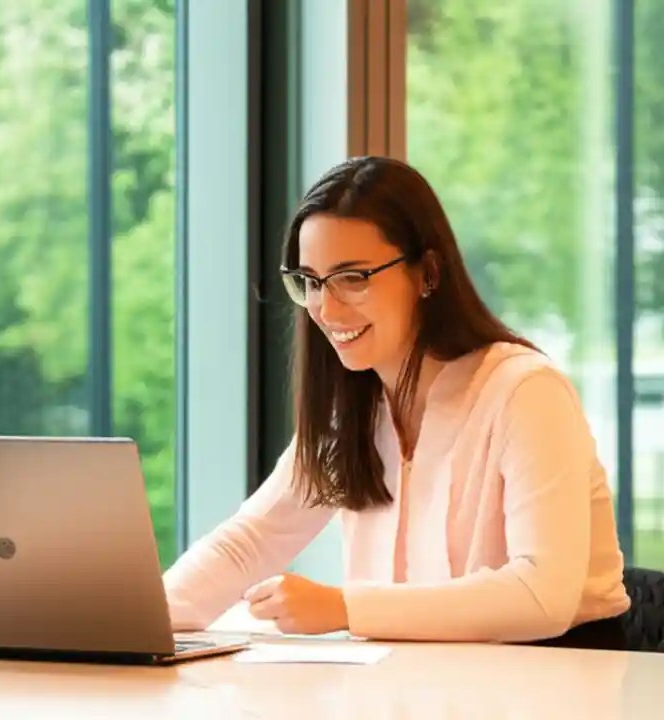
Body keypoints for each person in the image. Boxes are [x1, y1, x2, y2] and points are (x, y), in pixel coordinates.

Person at [163, 156, 631, 649]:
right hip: (423, 682)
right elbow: (251, 542)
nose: (325, 307)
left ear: (426, 273)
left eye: (353, 278)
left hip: (557, 683)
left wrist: (343, 607)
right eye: (311, 281)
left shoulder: (524, 392)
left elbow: (542, 595)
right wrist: (138, 618)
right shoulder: (353, 411)